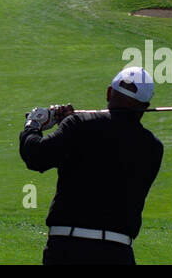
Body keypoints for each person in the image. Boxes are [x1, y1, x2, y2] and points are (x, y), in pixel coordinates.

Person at [20, 66, 164, 265]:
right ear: (145, 107)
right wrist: (71, 124)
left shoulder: (78, 125)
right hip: (117, 254)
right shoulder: (153, 148)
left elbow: (35, 155)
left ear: (108, 93)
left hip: (67, 251)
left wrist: (34, 125)